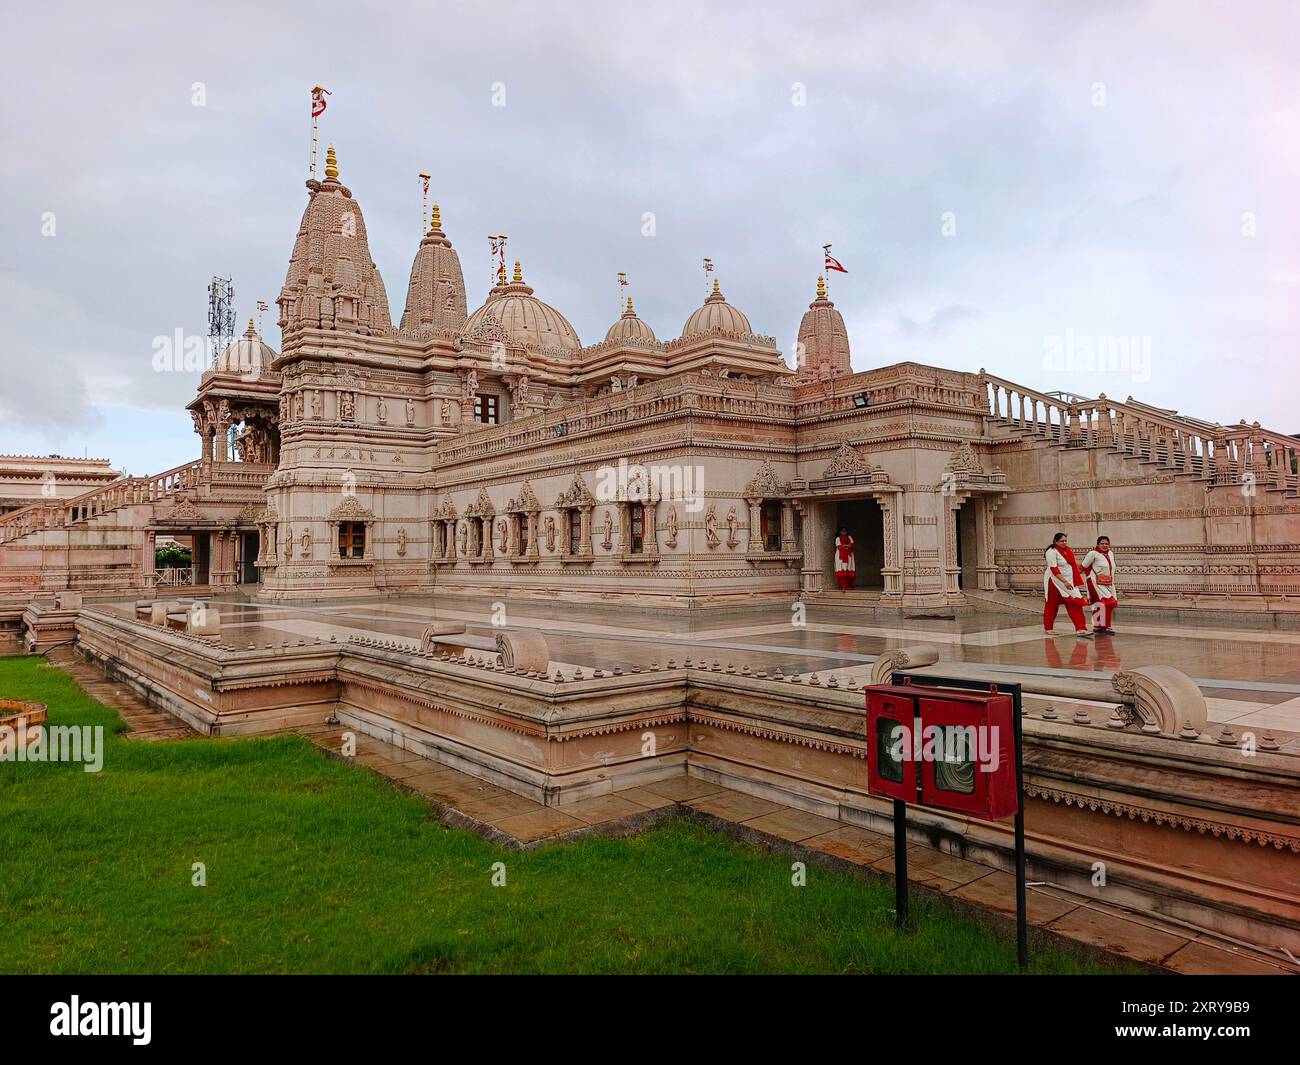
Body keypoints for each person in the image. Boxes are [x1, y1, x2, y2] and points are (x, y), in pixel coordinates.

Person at [1043, 531, 1091, 637]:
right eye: (1061, 541)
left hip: (1068, 581)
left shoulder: (1067, 550)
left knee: (1074, 603)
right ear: (1055, 541)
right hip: (1054, 581)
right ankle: (1048, 628)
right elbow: (1054, 569)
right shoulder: (1051, 551)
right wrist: (1064, 582)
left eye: (1065, 541)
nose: (1064, 543)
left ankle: (1081, 628)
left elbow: (1071, 566)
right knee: (1052, 604)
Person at [1082, 535, 1118, 635]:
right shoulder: (1093, 553)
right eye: (1102, 543)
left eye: (1106, 543)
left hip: (1108, 582)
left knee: (1110, 604)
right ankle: (1099, 627)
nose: (1104, 545)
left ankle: (1105, 626)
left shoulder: (1110, 553)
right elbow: (1083, 566)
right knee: (1102, 603)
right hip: (1095, 581)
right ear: (1098, 544)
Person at [833, 526, 856, 591]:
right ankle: (843, 586)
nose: (844, 532)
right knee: (842, 569)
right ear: (840, 532)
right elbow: (839, 546)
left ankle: (850, 586)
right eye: (843, 531)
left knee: (849, 568)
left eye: (845, 531)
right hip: (840, 556)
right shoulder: (837, 538)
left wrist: (845, 546)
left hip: (849, 556)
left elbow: (852, 544)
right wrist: (847, 546)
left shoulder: (849, 537)